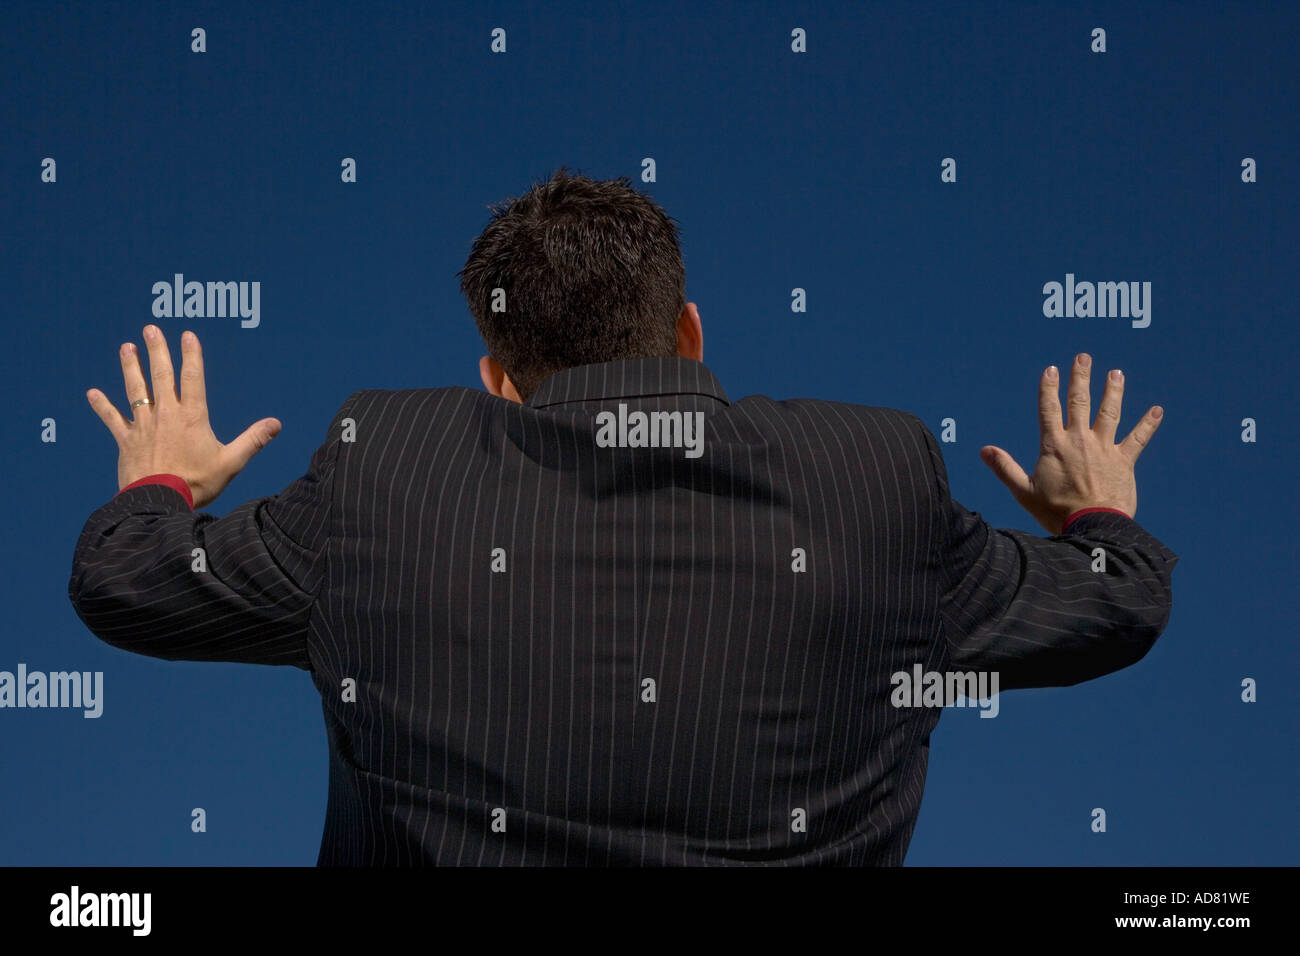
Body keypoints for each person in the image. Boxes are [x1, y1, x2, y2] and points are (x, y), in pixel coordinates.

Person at [68, 167, 1177, 865]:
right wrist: (1094, 511)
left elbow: (126, 580)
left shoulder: (388, 471)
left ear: (498, 378)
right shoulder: (875, 478)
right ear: (688, 332)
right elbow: (1120, 605)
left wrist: (161, 481)